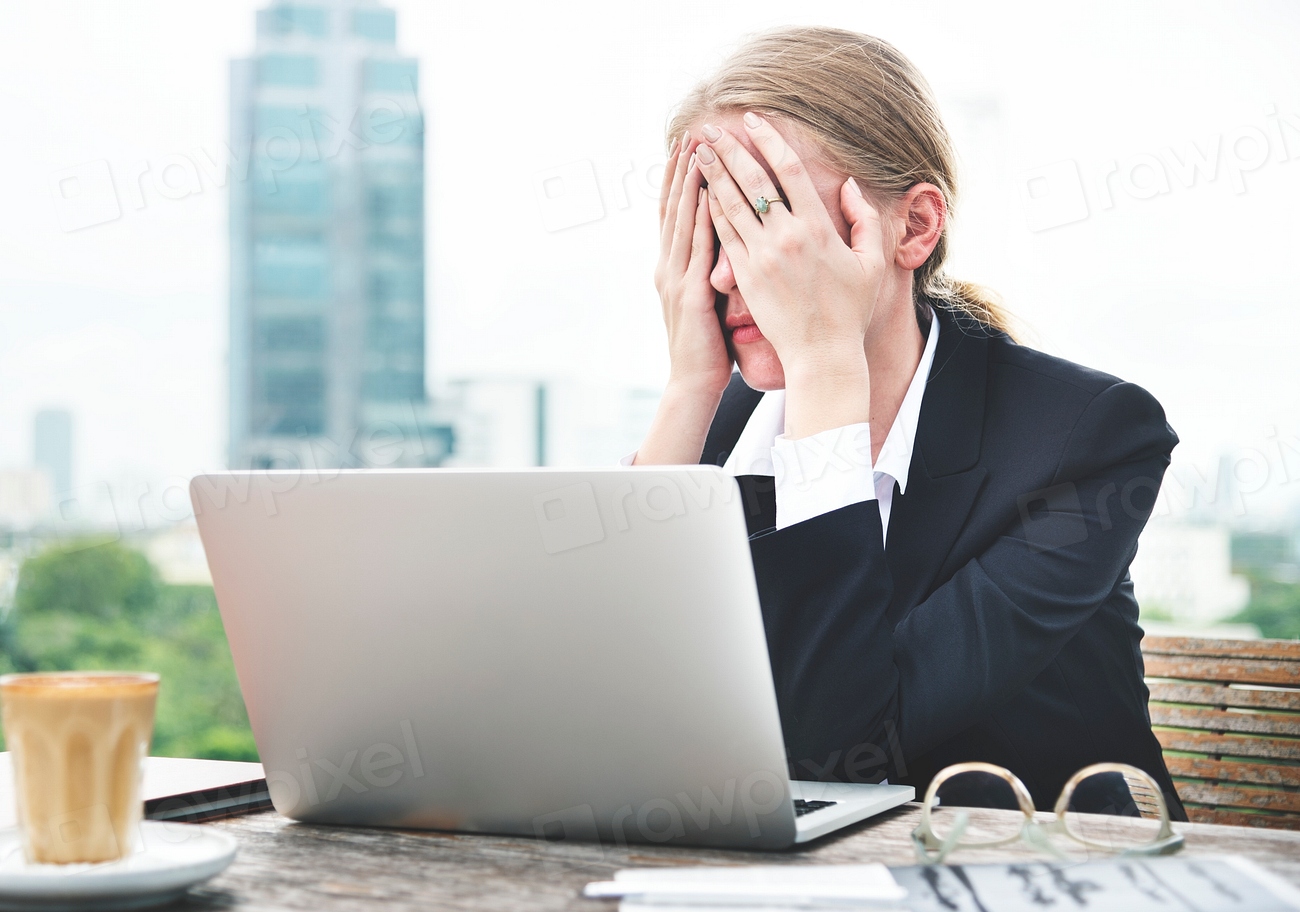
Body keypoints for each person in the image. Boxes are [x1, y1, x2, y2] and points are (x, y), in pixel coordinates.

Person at [632, 26, 1186, 819]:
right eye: (711, 235)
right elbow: (606, 706)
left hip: (1041, 871)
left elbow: (838, 754)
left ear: (914, 227)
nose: (724, 275)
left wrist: (826, 367)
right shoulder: (717, 426)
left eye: (769, 230)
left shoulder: (1087, 438)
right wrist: (689, 389)